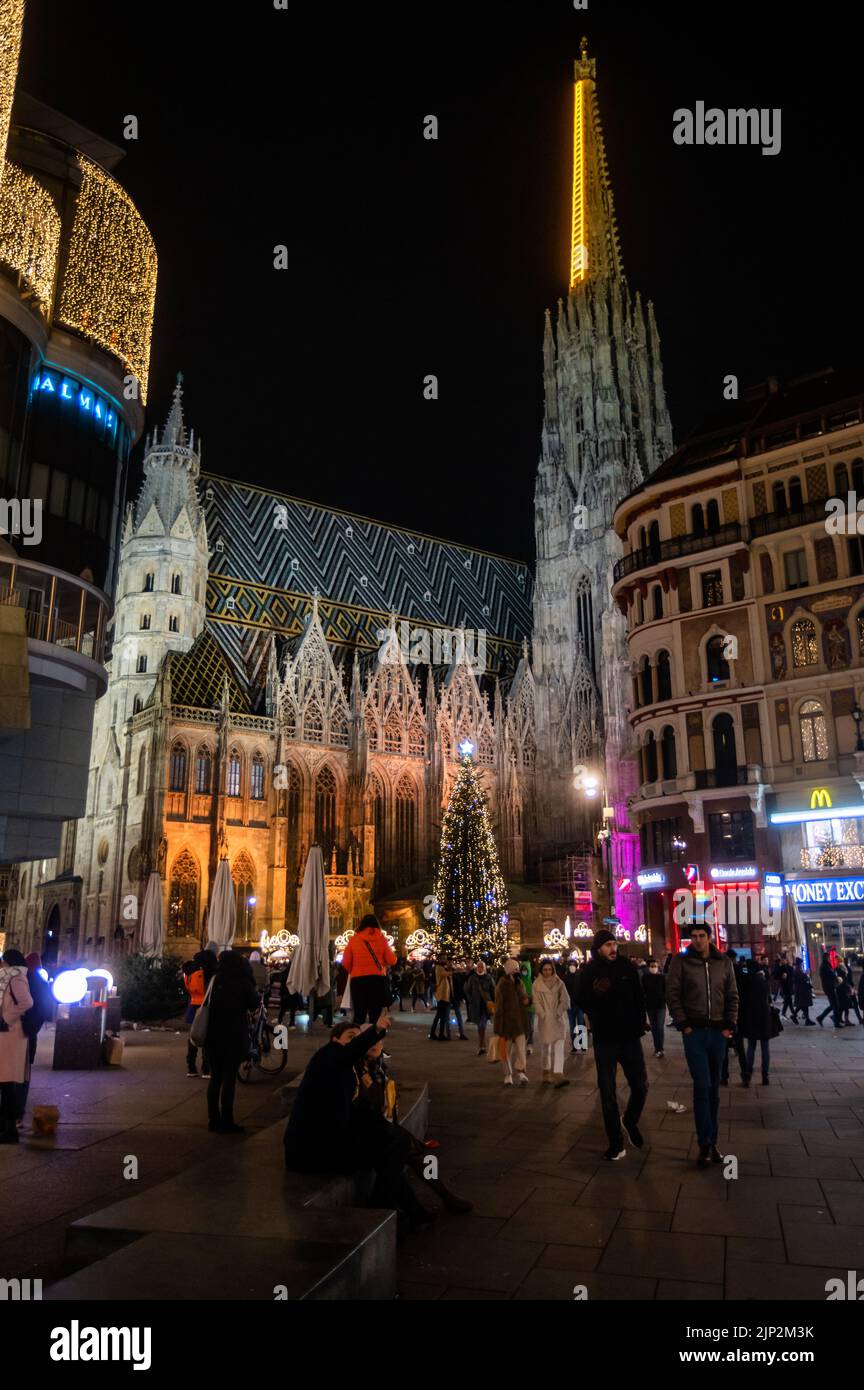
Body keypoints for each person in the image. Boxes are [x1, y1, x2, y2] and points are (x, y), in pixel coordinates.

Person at [284, 1014, 431, 1231]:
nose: (355, 1042)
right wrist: (376, 1030)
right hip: (311, 1150)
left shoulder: (350, 1070)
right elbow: (347, 1056)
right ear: (335, 1041)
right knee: (390, 1150)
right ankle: (381, 1212)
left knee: (393, 1145)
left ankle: (410, 1211)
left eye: (357, 1037)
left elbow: (358, 1112)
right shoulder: (327, 1057)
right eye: (350, 1037)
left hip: (328, 1142)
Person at [354, 1034, 472, 1215]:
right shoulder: (360, 1070)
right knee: (412, 1155)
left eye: (378, 1041)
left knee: (420, 1156)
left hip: (382, 1127)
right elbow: (374, 1100)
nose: (374, 1045)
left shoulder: (377, 1068)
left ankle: (437, 1198)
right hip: (372, 1132)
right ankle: (437, 1199)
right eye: (369, 1041)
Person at [666, 924, 738, 1168]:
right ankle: (704, 1144)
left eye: (701, 936)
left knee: (714, 1090)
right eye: (693, 937)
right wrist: (683, 1023)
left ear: (709, 937)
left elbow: (732, 995)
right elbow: (672, 994)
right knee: (702, 1085)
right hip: (694, 1033)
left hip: (718, 1032)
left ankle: (713, 1141)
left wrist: (730, 1025)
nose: (697, 940)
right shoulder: (681, 962)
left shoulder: (723, 962)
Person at [575, 930, 649, 1160]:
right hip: (605, 1038)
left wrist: (641, 1021)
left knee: (641, 1086)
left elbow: (639, 997)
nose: (613, 948)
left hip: (629, 1037)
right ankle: (615, 1143)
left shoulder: (627, 966)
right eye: (608, 944)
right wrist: (594, 996)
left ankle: (630, 1120)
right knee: (608, 1093)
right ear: (599, 948)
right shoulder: (589, 971)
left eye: (614, 944)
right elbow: (579, 999)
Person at [204, 950, 259, 1133]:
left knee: (215, 1079)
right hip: (233, 1035)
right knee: (229, 1079)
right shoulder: (242, 980)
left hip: (213, 1035)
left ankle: (213, 1120)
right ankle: (227, 1120)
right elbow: (253, 1003)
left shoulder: (215, 979)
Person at [15, 951, 52, 1126]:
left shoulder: (21, 982)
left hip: (17, 1036)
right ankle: (17, 1116)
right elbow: (45, 1012)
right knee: (23, 1078)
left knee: (11, 1079)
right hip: (29, 1036)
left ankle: (11, 1115)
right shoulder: (42, 984)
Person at [0, 950, 33, 1144]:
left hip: (11, 1035)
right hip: (5, 1036)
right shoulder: (7, 977)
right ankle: (5, 1126)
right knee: (4, 1084)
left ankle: (10, 1131)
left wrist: (6, 1017)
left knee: (7, 1084)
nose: (2, 965)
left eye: (4, 962)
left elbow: (27, 1002)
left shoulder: (16, 977)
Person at [342, 914, 396, 1026]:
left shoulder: (354, 939)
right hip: (377, 980)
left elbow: (345, 962)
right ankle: (372, 1040)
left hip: (358, 981)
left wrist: (355, 970)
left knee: (359, 1014)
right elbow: (392, 960)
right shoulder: (382, 939)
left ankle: (358, 1039)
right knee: (375, 1015)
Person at [533, 959, 571, 1087]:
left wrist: (559, 1011)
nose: (547, 972)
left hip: (557, 1019)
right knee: (546, 1049)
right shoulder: (536, 984)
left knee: (559, 1048)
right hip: (545, 1020)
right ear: (541, 970)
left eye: (549, 969)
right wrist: (542, 1014)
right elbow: (536, 1001)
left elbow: (565, 999)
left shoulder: (559, 982)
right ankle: (546, 1072)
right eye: (545, 969)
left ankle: (559, 1075)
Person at [492, 959, 530, 1086]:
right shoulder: (502, 984)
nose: (517, 971)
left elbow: (524, 997)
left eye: (517, 968)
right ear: (508, 970)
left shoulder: (519, 983)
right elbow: (498, 1006)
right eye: (515, 969)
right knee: (505, 1051)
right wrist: (498, 1026)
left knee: (521, 1049)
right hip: (506, 1023)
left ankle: (521, 1071)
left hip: (519, 1022)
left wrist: (527, 1000)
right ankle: (508, 1074)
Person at [738, 957, 773, 1087]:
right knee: (765, 1048)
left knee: (751, 1047)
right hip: (763, 1017)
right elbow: (767, 999)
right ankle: (765, 1076)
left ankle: (748, 1074)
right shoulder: (763, 982)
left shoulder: (745, 982)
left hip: (751, 1017)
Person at [183, 949, 216, 1077]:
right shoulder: (210, 971)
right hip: (206, 1006)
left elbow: (187, 987)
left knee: (193, 1036)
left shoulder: (189, 971)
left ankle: (191, 1067)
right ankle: (206, 1068)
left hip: (192, 1005)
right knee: (206, 1037)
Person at [720, 950, 747, 1087]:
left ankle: (724, 1077)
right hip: (738, 1015)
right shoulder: (740, 973)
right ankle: (745, 1076)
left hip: (724, 1016)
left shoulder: (722, 973)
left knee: (723, 1050)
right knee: (741, 1048)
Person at [464, 960, 495, 1055]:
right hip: (476, 1006)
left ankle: (482, 1045)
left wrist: (493, 1002)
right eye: (479, 967)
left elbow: (493, 990)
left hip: (486, 1005)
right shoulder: (473, 978)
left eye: (482, 967)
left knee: (482, 1025)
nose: (480, 968)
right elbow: (467, 989)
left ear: (484, 968)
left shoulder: (489, 978)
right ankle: (482, 1045)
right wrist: (471, 1000)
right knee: (480, 1026)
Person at [641, 957, 667, 1057]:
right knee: (654, 1028)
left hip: (661, 1005)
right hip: (650, 1005)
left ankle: (660, 1048)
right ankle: (657, 1048)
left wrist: (664, 999)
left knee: (660, 1027)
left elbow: (665, 990)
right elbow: (643, 990)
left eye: (655, 966)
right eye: (652, 966)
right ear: (648, 967)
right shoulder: (645, 978)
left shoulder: (662, 977)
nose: (653, 968)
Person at [817, 949, 843, 1028]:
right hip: (829, 988)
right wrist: (837, 978)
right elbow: (831, 975)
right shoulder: (825, 965)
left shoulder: (826, 965)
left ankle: (821, 1017)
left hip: (829, 987)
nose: (829, 958)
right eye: (828, 957)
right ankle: (836, 1022)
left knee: (833, 1005)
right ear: (826, 958)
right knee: (835, 1005)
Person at [563, 958, 585, 1050]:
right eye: (571, 965)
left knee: (580, 1025)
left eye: (574, 965)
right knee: (572, 1026)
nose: (572, 967)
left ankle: (582, 1043)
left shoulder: (580, 976)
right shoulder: (565, 978)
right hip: (570, 1006)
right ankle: (574, 1045)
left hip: (579, 1005)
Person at [792, 957, 816, 1025]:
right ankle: (805, 1019)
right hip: (802, 990)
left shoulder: (798, 970)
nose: (802, 964)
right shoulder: (797, 971)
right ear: (799, 964)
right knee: (803, 1004)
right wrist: (806, 974)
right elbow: (802, 979)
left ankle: (796, 1016)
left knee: (803, 1005)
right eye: (801, 963)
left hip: (801, 990)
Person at [519, 960, 535, 1054]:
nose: (524, 971)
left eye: (526, 969)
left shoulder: (533, 981)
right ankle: (522, 1044)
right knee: (522, 1027)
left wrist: (530, 1000)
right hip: (521, 1008)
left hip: (530, 1008)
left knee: (531, 1027)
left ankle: (530, 1044)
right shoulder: (518, 981)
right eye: (523, 969)